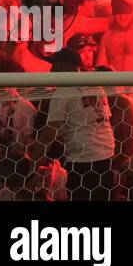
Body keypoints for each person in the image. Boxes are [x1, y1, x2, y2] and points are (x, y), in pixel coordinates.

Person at [40, 48, 116, 201]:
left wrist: (32, 161)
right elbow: (102, 119)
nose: (51, 70)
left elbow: (50, 132)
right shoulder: (96, 86)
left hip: (83, 159)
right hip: (106, 155)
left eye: (54, 65)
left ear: (63, 65)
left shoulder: (63, 91)